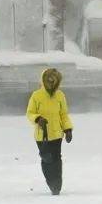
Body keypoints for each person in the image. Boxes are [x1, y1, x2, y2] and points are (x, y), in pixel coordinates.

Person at [26, 67, 74, 195]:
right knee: (47, 159)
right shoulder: (36, 96)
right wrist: (38, 119)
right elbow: (30, 113)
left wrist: (68, 129)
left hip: (57, 134)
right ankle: (51, 182)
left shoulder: (60, 95)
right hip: (42, 136)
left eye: (54, 80)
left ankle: (57, 185)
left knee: (57, 159)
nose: (51, 82)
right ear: (44, 80)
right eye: (49, 80)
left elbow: (63, 114)